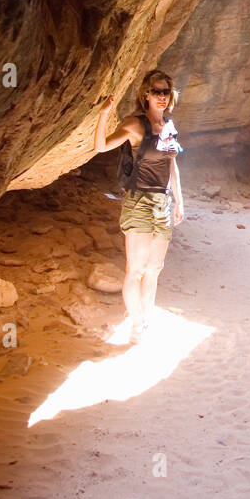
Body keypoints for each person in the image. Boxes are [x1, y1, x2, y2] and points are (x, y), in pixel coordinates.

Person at [93, 70, 185, 343]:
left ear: (171, 95)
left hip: (162, 204)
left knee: (155, 268)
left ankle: (146, 320)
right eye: (155, 91)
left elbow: (172, 165)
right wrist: (103, 114)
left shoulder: (169, 125)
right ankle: (137, 324)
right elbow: (100, 147)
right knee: (136, 269)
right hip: (139, 202)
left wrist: (179, 200)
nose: (161, 96)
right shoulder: (135, 124)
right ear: (145, 94)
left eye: (165, 92)